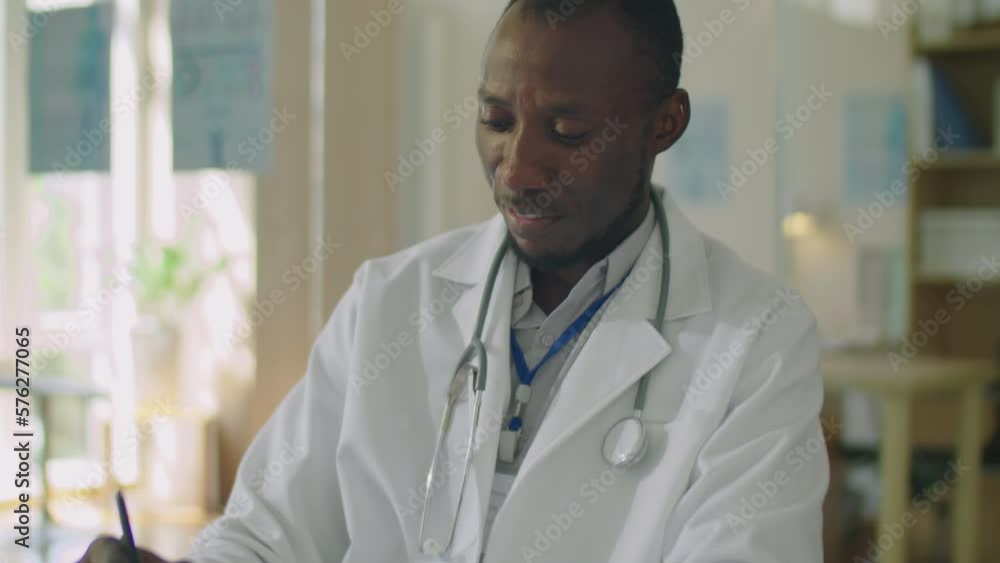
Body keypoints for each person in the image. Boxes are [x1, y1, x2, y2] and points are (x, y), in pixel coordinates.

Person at [79, 0, 829, 561]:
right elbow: (266, 533)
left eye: (568, 133)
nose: (518, 166)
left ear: (664, 123)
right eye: (496, 118)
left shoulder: (755, 343)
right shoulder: (389, 303)